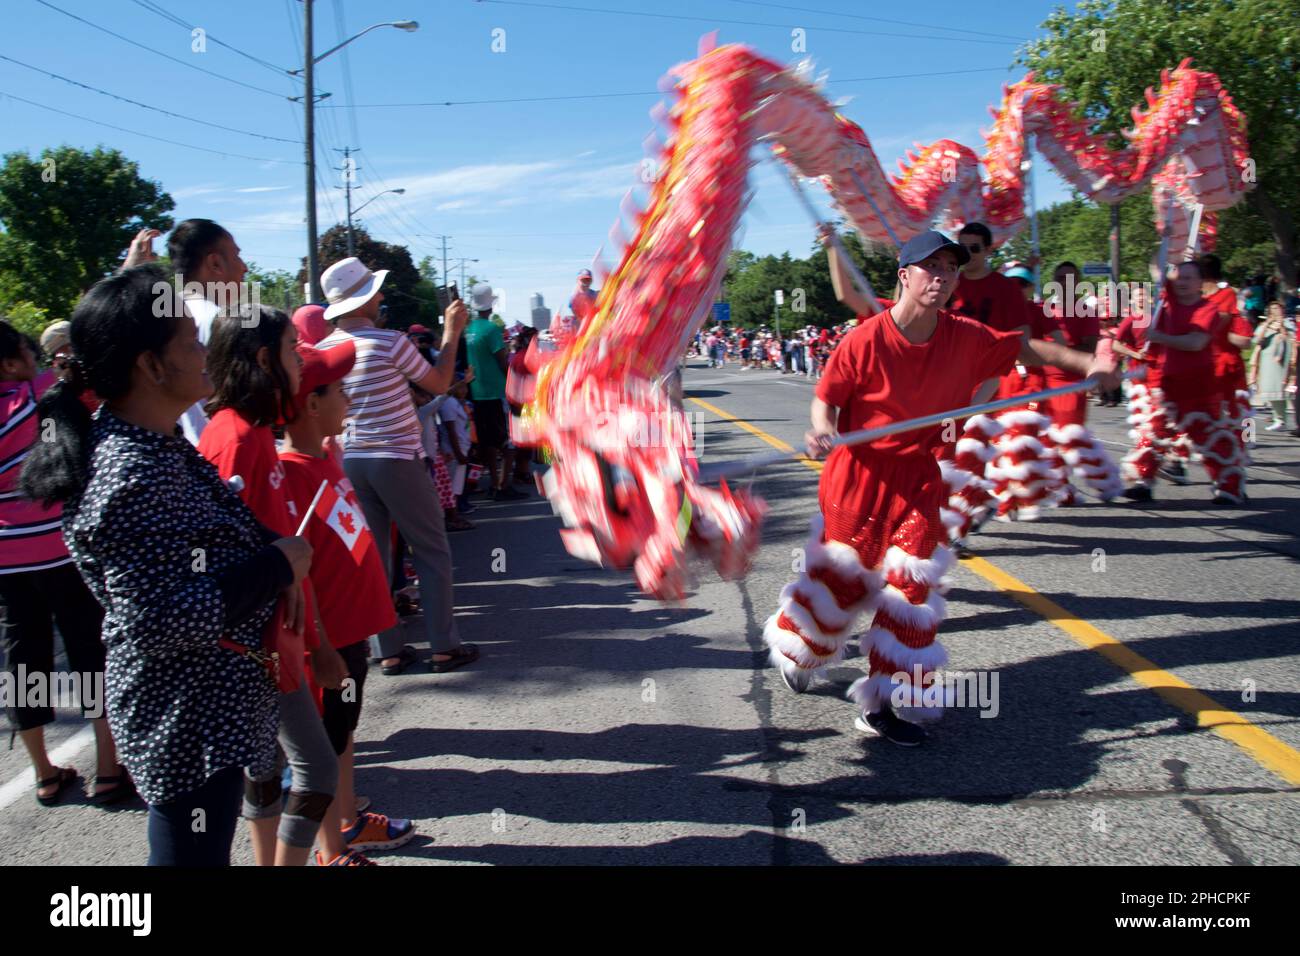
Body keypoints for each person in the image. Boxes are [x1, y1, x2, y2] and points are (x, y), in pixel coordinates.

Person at [765, 232, 1117, 745]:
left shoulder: (966, 336)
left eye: (951, 268)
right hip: (858, 478)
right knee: (841, 589)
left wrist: (1090, 365)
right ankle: (800, 647)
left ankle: (883, 702)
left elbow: (1023, 347)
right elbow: (827, 401)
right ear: (904, 275)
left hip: (919, 479)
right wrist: (820, 429)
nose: (943, 277)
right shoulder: (864, 340)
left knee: (912, 590)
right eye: (931, 267)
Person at [19, 266, 310, 866]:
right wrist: (277, 566)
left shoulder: (158, 443)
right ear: (150, 366)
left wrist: (271, 554)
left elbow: (218, 522)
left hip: (209, 708)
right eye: (189, 342)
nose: (205, 351)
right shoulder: (131, 473)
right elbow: (158, 620)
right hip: (185, 716)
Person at [200, 305, 355, 867]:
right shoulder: (238, 440)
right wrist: (318, 647)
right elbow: (234, 563)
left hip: (267, 639)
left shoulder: (252, 432)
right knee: (315, 769)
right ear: (265, 360)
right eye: (293, 350)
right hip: (260, 644)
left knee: (264, 768)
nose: (300, 362)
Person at [279, 342, 414, 865]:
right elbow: (298, 575)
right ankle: (329, 849)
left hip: (353, 635)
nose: (348, 395)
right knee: (325, 741)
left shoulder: (329, 454)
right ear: (310, 405)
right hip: (329, 640)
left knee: (344, 732)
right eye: (337, 389)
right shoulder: (290, 473)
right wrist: (321, 645)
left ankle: (348, 821)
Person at [315, 256, 479, 675]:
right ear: (363, 299)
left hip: (351, 460)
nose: (382, 297)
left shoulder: (321, 349)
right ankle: (444, 646)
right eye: (374, 291)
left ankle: (387, 649)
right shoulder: (388, 342)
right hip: (398, 457)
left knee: (373, 557)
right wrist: (451, 332)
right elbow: (440, 383)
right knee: (431, 549)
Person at [1, 321, 127, 807]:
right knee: (87, 652)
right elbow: (84, 384)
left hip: (7, 561)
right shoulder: (38, 396)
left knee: (24, 659)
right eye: (28, 353)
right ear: (12, 364)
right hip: (58, 549)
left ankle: (43, 772)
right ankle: (108, 769)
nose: (37, 360)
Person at [1122, 260, 1247, 504]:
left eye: (1189, 278)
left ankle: (1229, 488)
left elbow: (1195, 343)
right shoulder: (1167, 303)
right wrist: (1168, 234)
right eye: (1180, 277)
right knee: (1153, 435)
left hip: (1199, 388)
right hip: (1167, 385)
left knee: (1211, 440)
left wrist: (1159, 337)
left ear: (1201, 283)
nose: (1182, 282)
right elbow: (1158, 269)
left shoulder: (1208, 310)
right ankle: (1143, 482)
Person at [161, 219, 249, 444]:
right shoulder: (222, 322)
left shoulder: (162, 317)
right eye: (237, 256)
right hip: (224, 461)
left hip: (183, 458)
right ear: (216, 263)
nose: (244, 267)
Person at [463, 283, 526, 502]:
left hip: (477, 393)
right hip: (496, 392)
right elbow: (502, 361)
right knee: (509, 441)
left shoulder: (468, 330)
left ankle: (493, 484)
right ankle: (503, 486)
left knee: (487, 442)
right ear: (490, 306)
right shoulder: (491, 330)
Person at [1250, 302, 1292, 431]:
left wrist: (1282, 326)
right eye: (1273, 308)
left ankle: (1281, 420)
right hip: (1267, 360)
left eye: (1278, 308)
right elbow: (1256, 340)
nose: (1276, 310)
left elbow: (1290, 339)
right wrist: (1268, 324)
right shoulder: (1264, 325)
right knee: (1270, 388)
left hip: (1282, 361)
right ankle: (1277, 418)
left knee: (1280, 389)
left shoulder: (1288, 323)